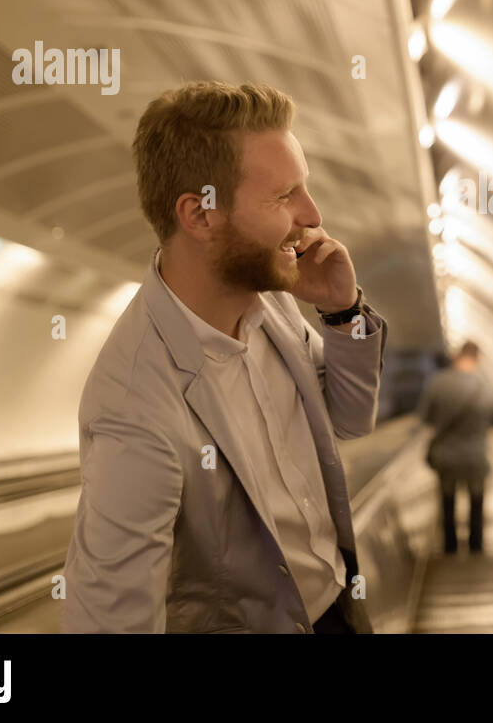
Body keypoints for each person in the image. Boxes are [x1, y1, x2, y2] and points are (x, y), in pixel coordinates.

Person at [62, 81, 387, 634]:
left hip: (338, 609)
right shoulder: (136, 403)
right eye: (285, 196)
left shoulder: (274, 309)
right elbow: (109, 620)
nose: (312, 213)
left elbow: (350, 420)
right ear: (200, 214)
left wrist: (342, 312)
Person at [418, 341, 493, 554]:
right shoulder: (487, 386)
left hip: (446, 456)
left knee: (447, 502)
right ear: (479, 358)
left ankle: (450, 547)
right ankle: (476, 546)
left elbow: (425, 418)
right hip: (476, 456)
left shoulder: (438, 382)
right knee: (477, 501)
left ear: (457, 356)